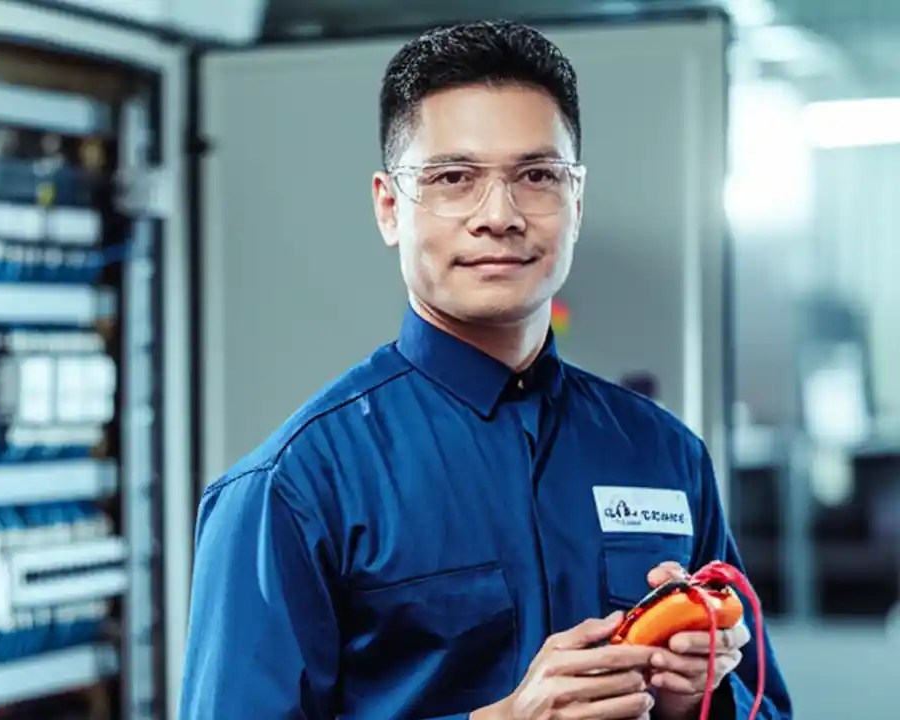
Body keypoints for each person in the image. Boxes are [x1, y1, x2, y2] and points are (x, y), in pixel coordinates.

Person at [179, 20, 792, 720]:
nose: (498, 216)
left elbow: (766, 707)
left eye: (536, 176)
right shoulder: (292, 489)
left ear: (577, 200)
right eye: (453, 179)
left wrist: (697, 700)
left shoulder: (664, 455)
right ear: (389, 207)